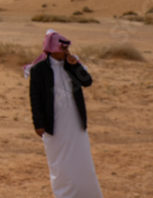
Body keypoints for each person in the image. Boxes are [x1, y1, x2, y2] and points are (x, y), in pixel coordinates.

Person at [26, 29, 103, 197]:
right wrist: (38, 123)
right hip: (54, 123)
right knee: (60, 164)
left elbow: (87, 82)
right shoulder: (39, 70)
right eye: (63, 49)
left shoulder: (72, 64)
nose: (66, 52)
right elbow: (35, 97)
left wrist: (76, 66)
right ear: (53, 49)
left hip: (75, 121)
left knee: (82, 160)